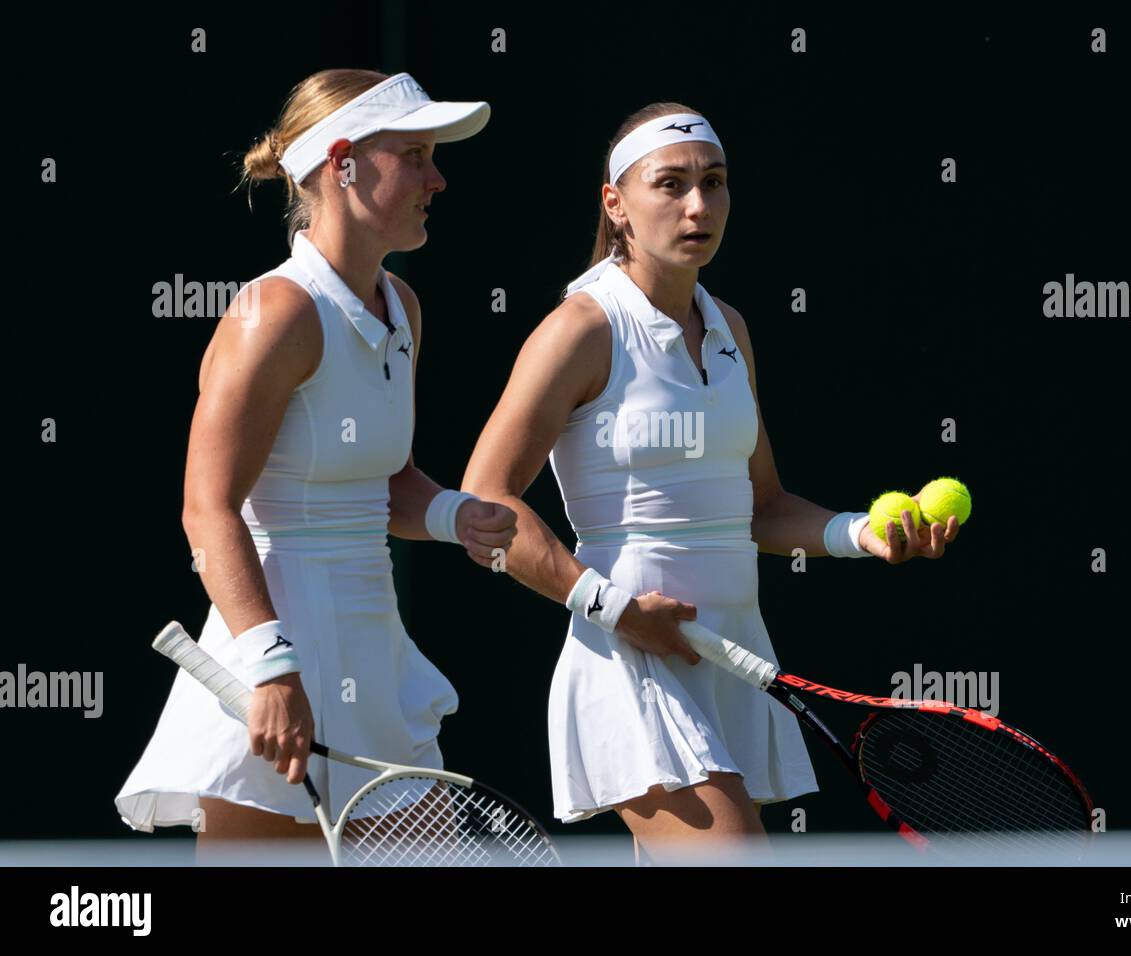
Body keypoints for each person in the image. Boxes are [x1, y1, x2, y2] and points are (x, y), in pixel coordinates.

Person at [460, 103, 960, 860]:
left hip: (732, 654)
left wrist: (865, 534)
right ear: (615, 204)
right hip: (631, 660)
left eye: (714, 183)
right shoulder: (582, 329)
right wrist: (617, 609)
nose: (698, 206)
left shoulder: (729, 327)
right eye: (671, 184)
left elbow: (761, 508)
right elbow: (485, 504)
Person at [116, 69, 517, 859]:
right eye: (416, 155)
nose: (438, 178)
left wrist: (450, 513)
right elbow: (208, 507)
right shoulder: (277, 313)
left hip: (376, 648)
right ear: (342, 164)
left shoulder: (403, 305)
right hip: (276, 646)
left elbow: (386, 480)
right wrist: (270, 668)